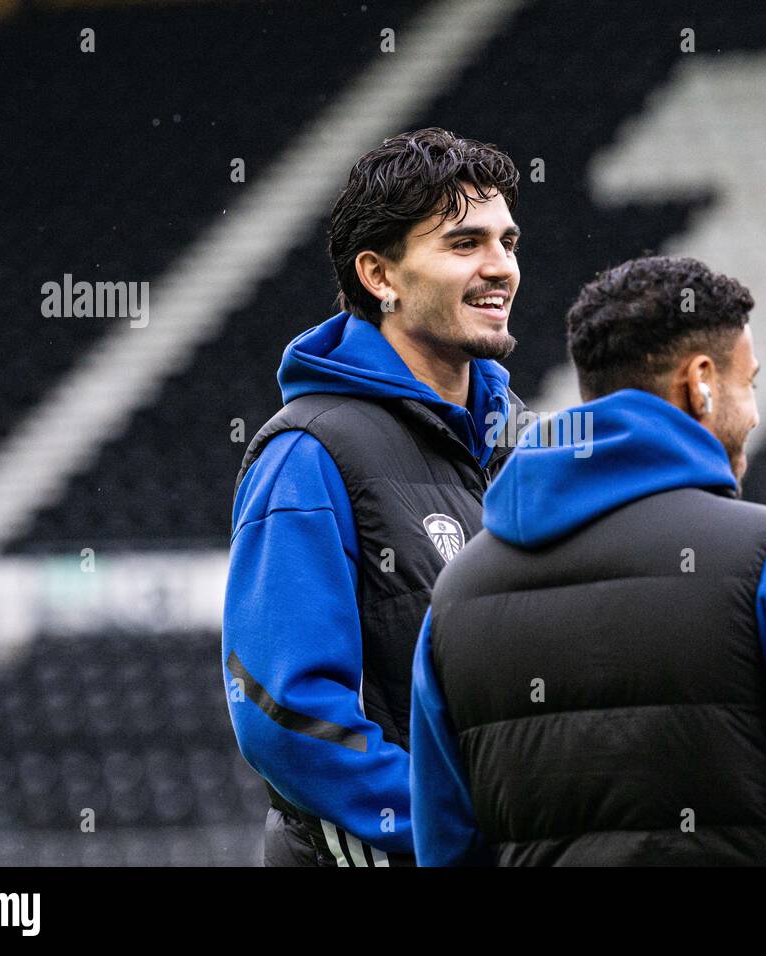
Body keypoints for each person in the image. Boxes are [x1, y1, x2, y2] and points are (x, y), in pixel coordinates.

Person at [409, 256, 766, 866]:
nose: (757, 413)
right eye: (751, 384)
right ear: (701, 382)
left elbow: (446, 849)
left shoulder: (454, 601)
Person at [222, 128, 525, 866]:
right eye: (464, 244)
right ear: (379, 276)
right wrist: (456, 831)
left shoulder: (521, 449)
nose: (501, 268)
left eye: (508, 241)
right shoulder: (307, 454)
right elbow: (283, 713)